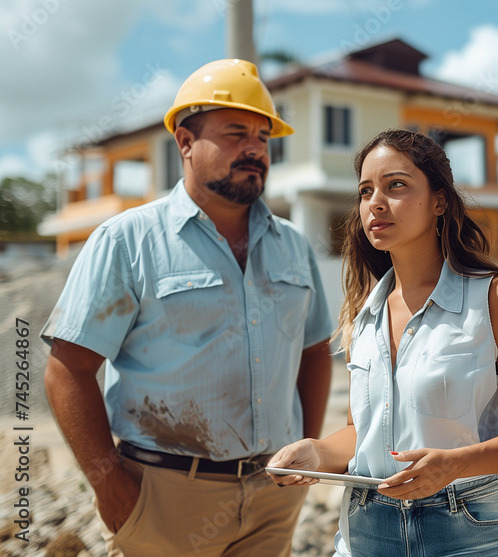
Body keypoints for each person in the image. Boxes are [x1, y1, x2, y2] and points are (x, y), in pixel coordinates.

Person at [41, 58, 333, 557]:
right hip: (165, 496)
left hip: (273, 497)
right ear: (185, 142)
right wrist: (110, 486)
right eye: (236, 133)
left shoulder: (294, 246)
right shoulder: (128, 239)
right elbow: (68, 369)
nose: (254, 149)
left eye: (263, 137)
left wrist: (305, 453)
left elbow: (315, 350)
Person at [267, 129, 498, 556]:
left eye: (395, 185)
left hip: (471, 531)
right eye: (366, 191)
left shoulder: (494, 298)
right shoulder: (363, 312)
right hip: (368, 529)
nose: (375, 203)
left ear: (439, 200)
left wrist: (457, 463)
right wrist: (317, 452)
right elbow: (358, 432)